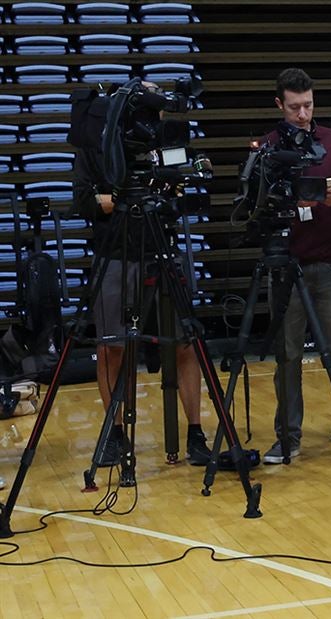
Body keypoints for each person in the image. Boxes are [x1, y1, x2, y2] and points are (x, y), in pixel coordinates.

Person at [72, 80, 211, 467]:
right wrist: (122, 196)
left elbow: (182, 188)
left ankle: (196, 433)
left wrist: (172, 189)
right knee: (112, 346)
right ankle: (115, 433)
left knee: (185, 343)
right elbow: (84, 200)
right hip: (115, 253)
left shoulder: (166, 141)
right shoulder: (96, 148)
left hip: (161, 248)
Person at [263, 68, 331, 464]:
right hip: (286, 264)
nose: (303, 115)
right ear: (279, 105)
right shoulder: (269, 147)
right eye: (294, 107)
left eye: (308, 105)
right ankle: (287, 438)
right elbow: (257, 205)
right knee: (287, 356)